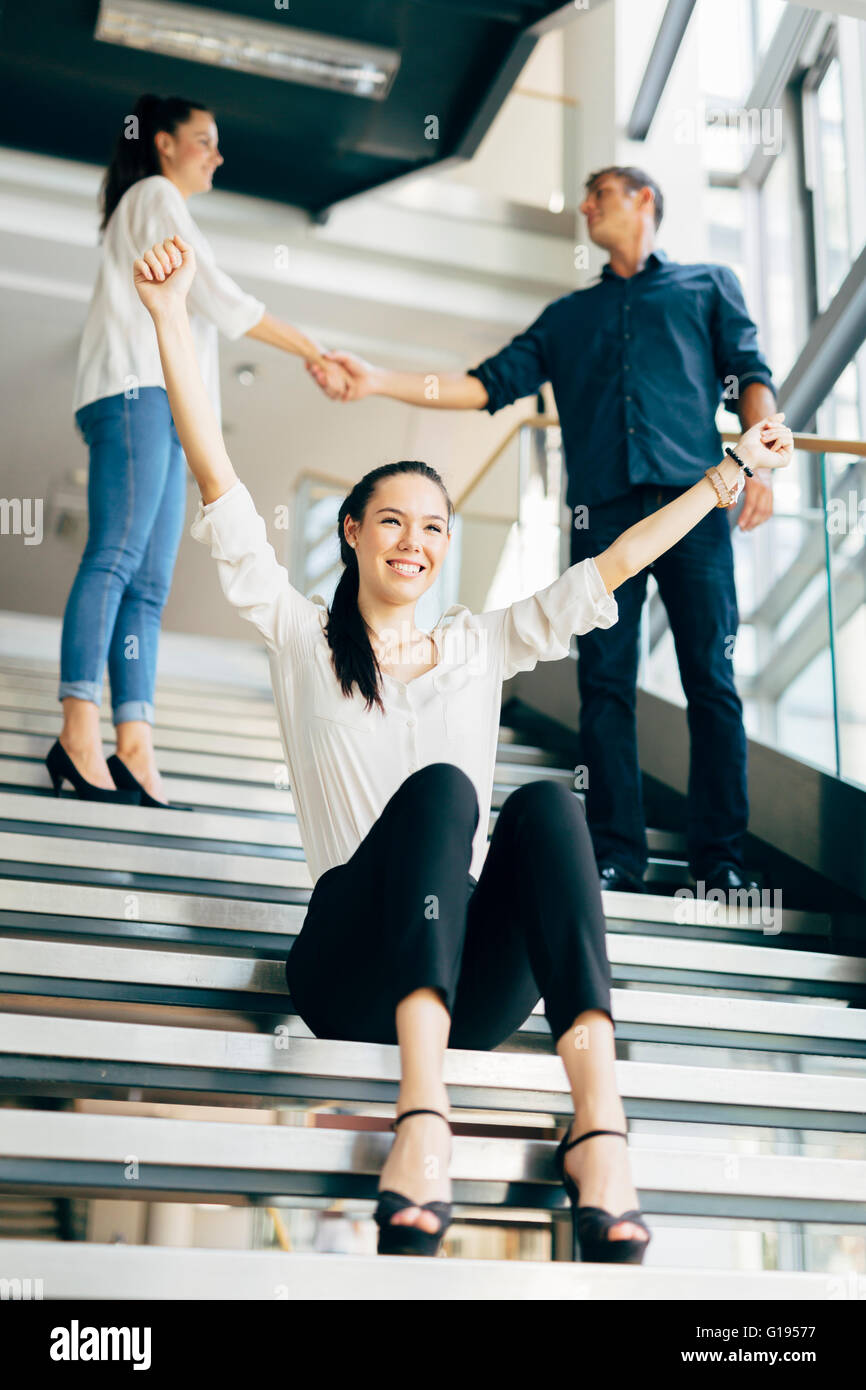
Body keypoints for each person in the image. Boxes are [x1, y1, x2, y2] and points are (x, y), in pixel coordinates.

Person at [132, 231, 791, 1260]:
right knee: (444, 789)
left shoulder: (479, 645)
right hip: (348, 970)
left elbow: (613, 560)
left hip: (468, 986)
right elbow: (214, 471)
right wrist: (173, 321)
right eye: (390, 521)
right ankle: (421, 1116)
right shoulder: (302, 633)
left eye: (433, 528)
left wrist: (721, 477)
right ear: (349, 532)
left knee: (542, 808)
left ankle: (601, 1127)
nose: (414, 541)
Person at [306, 167, 778, 897]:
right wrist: (376, 380)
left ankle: (722, 859)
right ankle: (617, 853)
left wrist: (759, 464)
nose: (586, 207)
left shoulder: (708, 285)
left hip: (696, 509)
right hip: (604, 515)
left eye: (601, 194)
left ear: (646, 199)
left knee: (711, 680)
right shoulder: (567, 318)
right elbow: (484, 385)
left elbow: (750, 371)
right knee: (604, 684)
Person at [47, 93, 348, 808]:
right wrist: (315, 349)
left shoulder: (151, 201)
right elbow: (213, 293)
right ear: (162, 145)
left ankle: (135, 744)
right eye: (205, 141)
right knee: (118, 559)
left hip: (161, 404)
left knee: (149, 585)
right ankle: (77, 729)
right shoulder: (153, 195)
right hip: (132, 392)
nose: (218, 155)